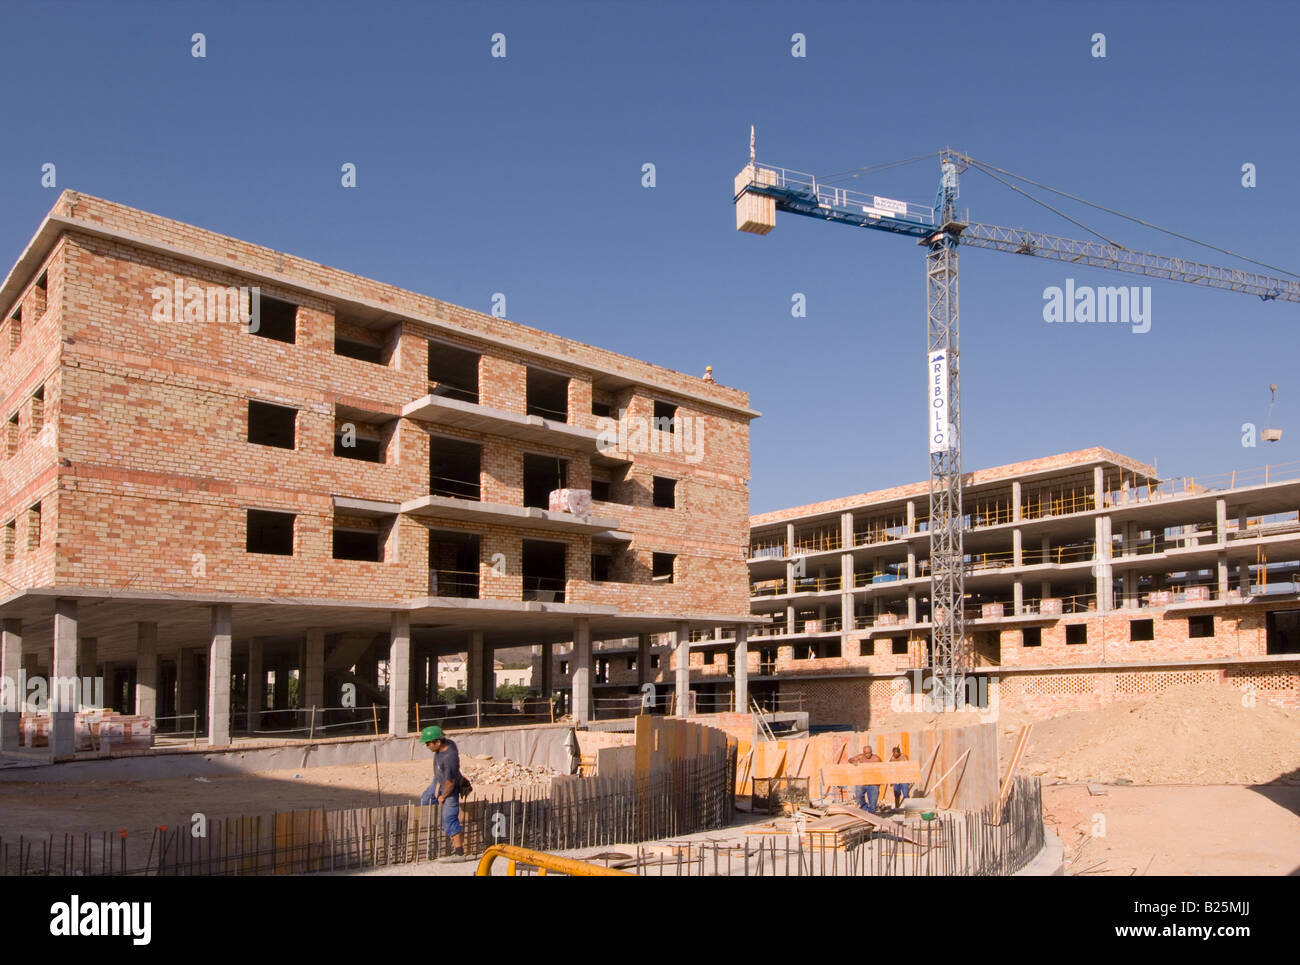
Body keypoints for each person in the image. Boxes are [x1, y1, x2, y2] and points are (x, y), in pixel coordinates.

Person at [418, 725, 465, 859]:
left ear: (438, 742)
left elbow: (450, 783)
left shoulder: (449, 759)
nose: (427, 746)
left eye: (428, 743)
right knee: (426, 799)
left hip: (450, 787)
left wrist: (443, 796)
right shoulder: (448, 743)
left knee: (450, 818)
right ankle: (437, 826)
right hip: (439, 779)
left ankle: (459, 852)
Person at [848, 744, 883, 813]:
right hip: (862, 781)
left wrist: (878, 784)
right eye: (866, 753)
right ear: (863, 753)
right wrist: (853, 761)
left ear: (871, 752)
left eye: (869, 753)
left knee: (873, 802)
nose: (868, 755)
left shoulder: (876, 759)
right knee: (858, 795)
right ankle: (864, 808)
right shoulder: (860, 757)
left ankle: (871, 813)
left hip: (873, 783)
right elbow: (850, 759)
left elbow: (881, 770)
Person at [890, 745, 911, 810]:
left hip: (904, 778)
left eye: (897, 753)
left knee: (906, 793)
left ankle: (908, 807)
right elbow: (890, 769)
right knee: (896, 793)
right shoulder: (892, 759)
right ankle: (897, 807)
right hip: (896, 778)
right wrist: (891, 780)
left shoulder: (904, 757)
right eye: (894, 754)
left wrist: (909, 778)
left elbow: (908, 767)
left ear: (899, 753)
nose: (895, 755)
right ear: (893, 753)